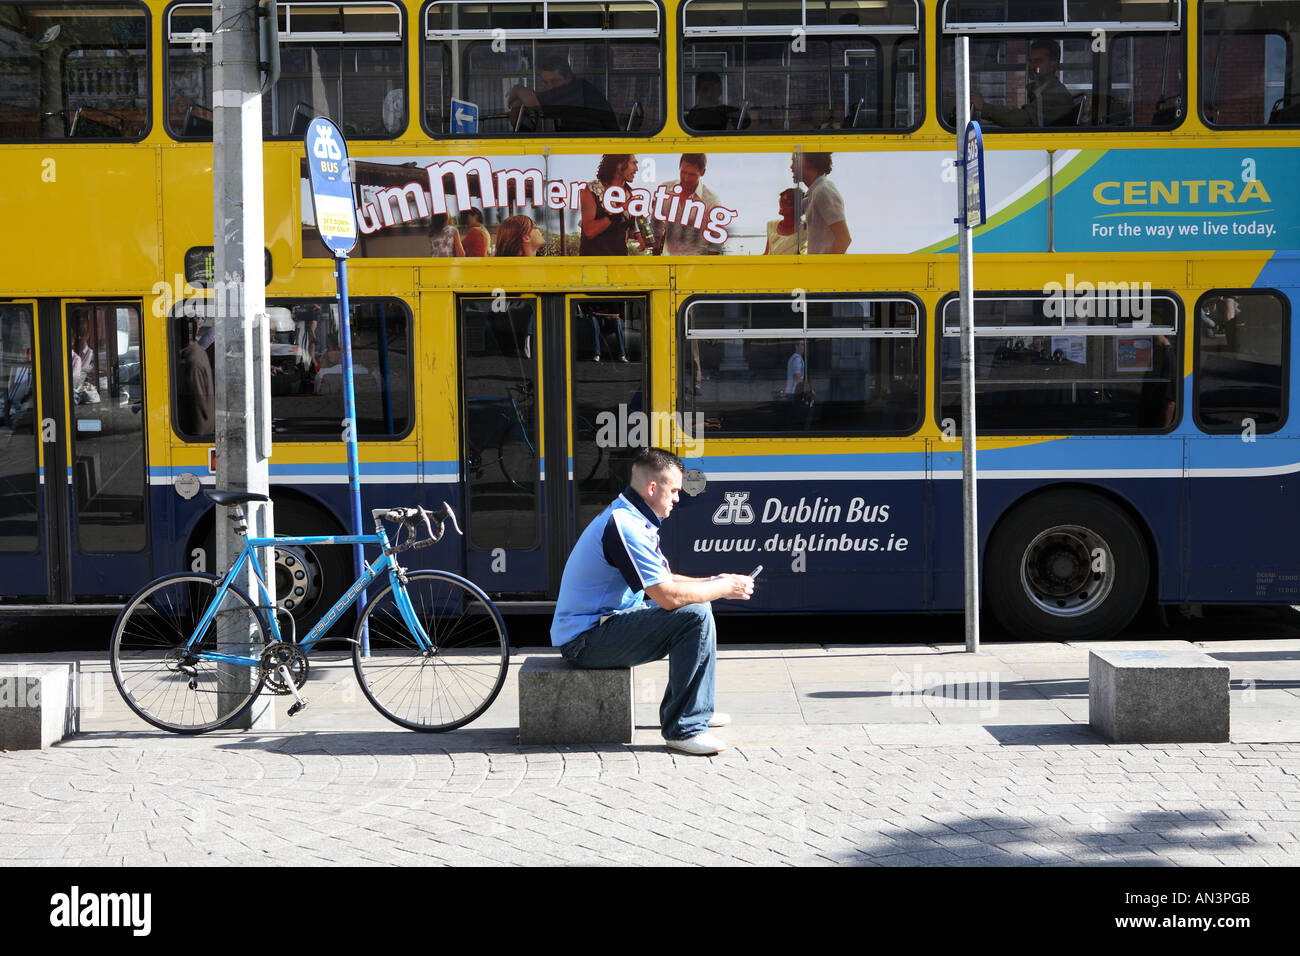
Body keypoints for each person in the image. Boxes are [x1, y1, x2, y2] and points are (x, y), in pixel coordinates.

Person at [551, 447, 755, 755]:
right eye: (673, 490)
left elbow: (665, 581)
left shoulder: (632, 518)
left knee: (700, 604)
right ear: (652, 488)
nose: (677, 498)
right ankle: (683, 729)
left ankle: (696, 707)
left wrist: (714, 581)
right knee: (695, 614)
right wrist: (724, 587)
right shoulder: (625, 526)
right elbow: (669, 597)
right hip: (585, 642)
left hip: (605, 626)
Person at [972, 37, 1077, 128]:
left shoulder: (1057, 96)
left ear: (1053, 65)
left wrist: (983, 107)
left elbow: (1018, 120)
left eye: (1038, 61)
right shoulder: (1041, 91)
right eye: (1030, 61)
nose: (1031, 66)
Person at [507, 57, 618, 133]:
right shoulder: (571, 91)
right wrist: (518, 105)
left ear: (568, 77)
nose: (549, 87)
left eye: (554, 81)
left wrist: (517, 89)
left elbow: (532, 102)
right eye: (546, 83)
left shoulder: (575, 90)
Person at [652, 153, 725, 255]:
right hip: (668, 263)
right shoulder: (665, 189)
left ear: (702, 172)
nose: (686, 179)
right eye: (683, 172)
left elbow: (716, 244)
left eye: (692, 175)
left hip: (697, 265)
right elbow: (656, 223)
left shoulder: (711, 201)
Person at [579, 154, 645, 256]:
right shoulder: (592, 189)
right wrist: (621, 209)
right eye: (633, 163)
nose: (636, 169)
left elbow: (627, 229)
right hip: (593, 264)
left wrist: (638, 235)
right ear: (619, 164)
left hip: (620, 264)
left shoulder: (630, 193)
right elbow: (589, 231)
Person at [792, 152, 851, 254]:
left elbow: (844, 239)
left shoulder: (823, 191)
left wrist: (826, 268)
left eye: (794, 161)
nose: (791, 167)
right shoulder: (814, 193)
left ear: (811, 163)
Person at [176, 317, 214, 434]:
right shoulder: (197, 353)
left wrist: (196, 437)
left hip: (197, 431)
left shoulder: (193, 362)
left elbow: (199, 401)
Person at [683, 71, 748, 131]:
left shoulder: (729, 111)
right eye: (705, 89)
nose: (709, 94)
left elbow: (746, 122)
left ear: (720, 90)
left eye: (714, 89)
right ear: (697, 91)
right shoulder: (689, 118)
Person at [763, 187, 805, 255]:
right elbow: (766, 253)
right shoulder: (772, 225)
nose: (782, 204)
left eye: (787, 202)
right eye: (781, 200)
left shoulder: (805, 230)